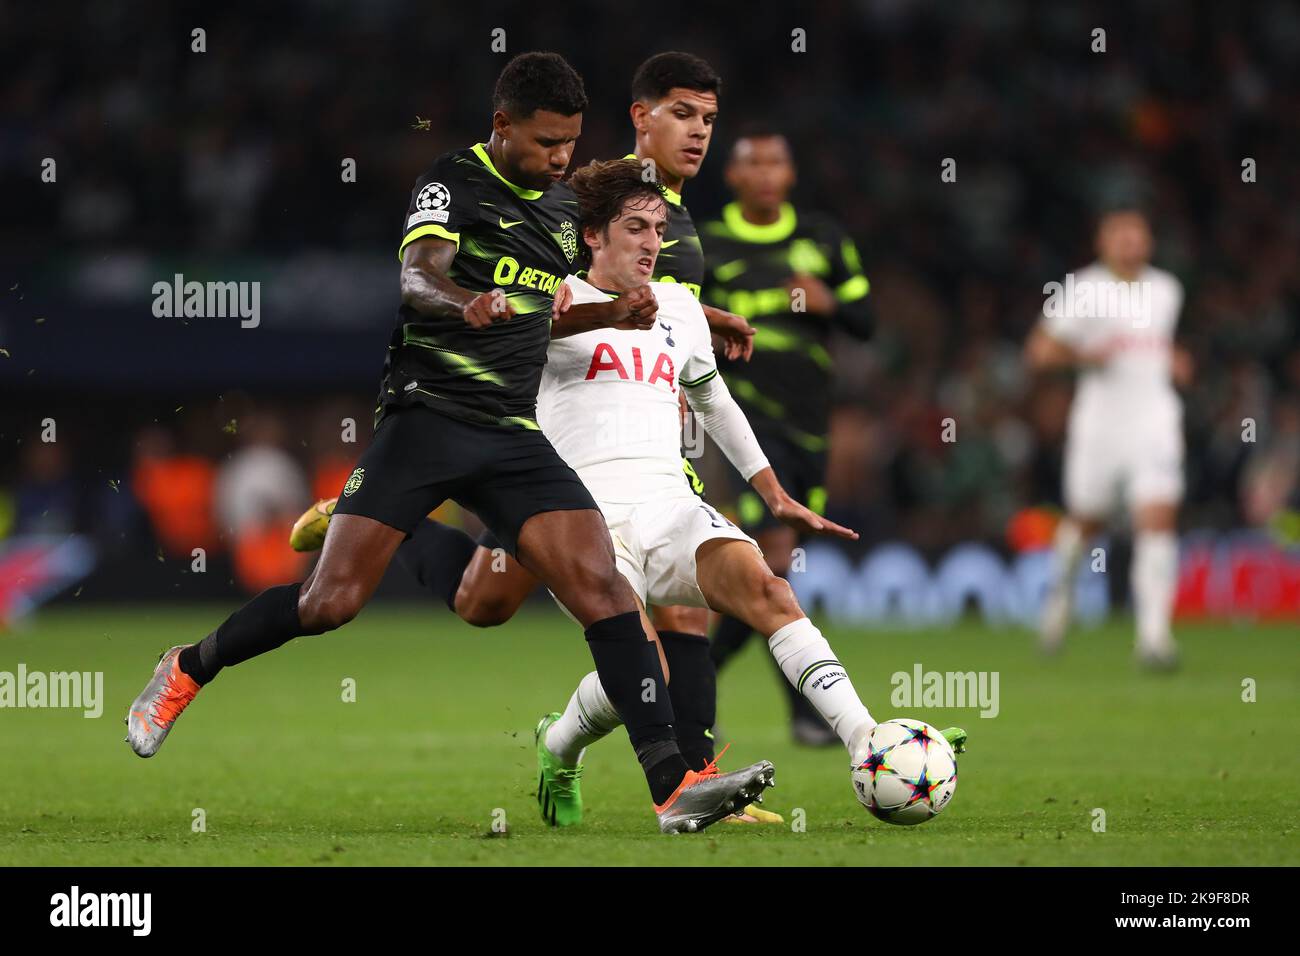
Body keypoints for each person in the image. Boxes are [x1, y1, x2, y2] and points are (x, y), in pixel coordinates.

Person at [125, 52, 774, 835]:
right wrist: (464, 303)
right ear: (502, 127)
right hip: (427, 417)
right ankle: (188, 667)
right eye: (543, 143)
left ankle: (671, 787)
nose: (559, 159)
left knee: (603, 591)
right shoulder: (452, 183)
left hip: (513, 432)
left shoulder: (565, 211)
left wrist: (672, 316)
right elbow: (416, 279)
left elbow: (560, 309)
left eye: (568, 143)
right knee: (329, 604)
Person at [529, 158, 966, 825]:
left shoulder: (677, 307)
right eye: (634, 227)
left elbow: (714, 402)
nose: (651, 242)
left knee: (769, 590)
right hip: (583, 518)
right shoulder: (553, 301)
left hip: (667, 502)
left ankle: (866, 741)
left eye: (659, 228)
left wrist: (773, 491)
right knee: (645, 675)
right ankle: (560, 747)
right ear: (592, 234)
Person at [700, 130, 874, 745]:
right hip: (744, 421)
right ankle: (803, 711)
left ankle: (700, 680)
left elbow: (865, 321)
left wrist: (826, 302)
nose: (767, 173)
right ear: (734, 177)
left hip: (809, 424)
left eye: (777, 161)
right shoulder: (707, 242)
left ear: (791, 174)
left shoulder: (822, 237)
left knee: (778, 568)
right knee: (771, 561)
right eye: (754, 163)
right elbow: (678, 317)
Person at [1025, 207, 1190, 669]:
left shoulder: (1167, 290)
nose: (1130, 243)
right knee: (1085, 521)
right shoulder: (1083, 289)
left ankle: (1155, 639)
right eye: (1121, 235)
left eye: (1138, 235)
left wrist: (1174, 360)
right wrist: (1084, 354)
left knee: (1157, 518)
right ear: (1103, 242)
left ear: (1149, 242)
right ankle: (1060, 600)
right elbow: (1038, 351)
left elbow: (1150, 344)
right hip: (1100, 425)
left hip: (1155, 420)